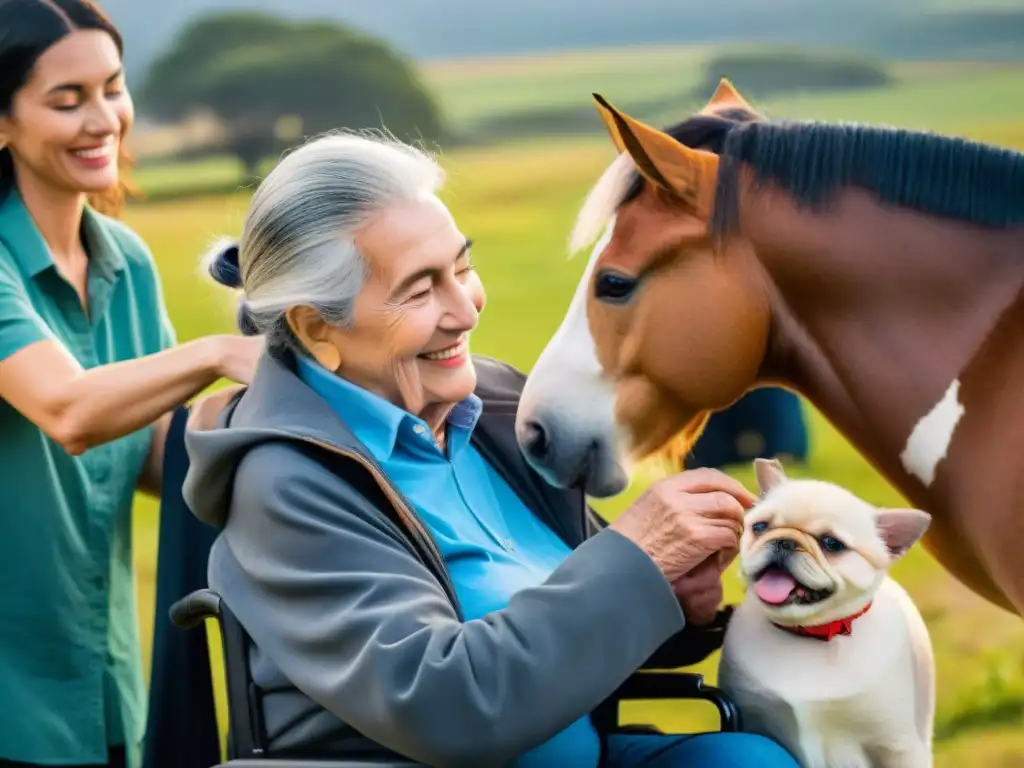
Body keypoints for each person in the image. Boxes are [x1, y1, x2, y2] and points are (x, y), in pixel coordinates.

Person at [182, 131, 799, 768]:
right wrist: (635, 557)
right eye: (420, 290)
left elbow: (578, 620)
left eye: (462, 267)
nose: (466, 309)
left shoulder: (498, 406)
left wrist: (672, 594)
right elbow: (447, 704)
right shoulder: (288, 480)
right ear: (318, 328)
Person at [0, 2, 262, 766]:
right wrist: (218, 352)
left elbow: (155, 454)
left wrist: (292, 412)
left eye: (112, 88)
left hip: (109, 689)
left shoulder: (125, 258)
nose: (102, 119)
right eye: (66, 99)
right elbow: (70, 410)